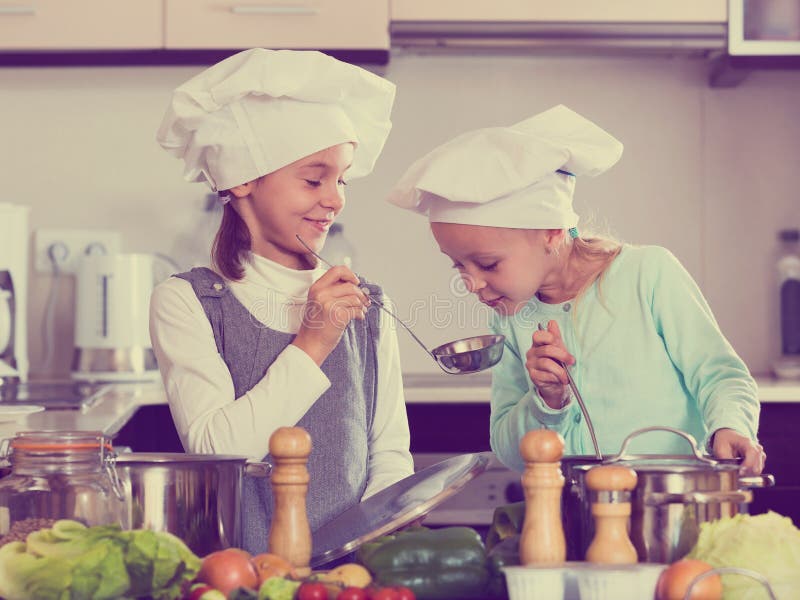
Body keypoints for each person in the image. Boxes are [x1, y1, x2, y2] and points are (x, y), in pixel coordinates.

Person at [387, 105, 765, 476]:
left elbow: (720, 374)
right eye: (458, 265)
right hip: (571, 510)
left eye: (487, 264)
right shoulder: (511, 319)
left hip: (666, 504)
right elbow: (509, 452)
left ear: (552, 232)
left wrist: (730, 425)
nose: (471, 283)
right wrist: (546, 401)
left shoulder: (648, 274)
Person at [151, 48, 414, 553]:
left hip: (352, 572)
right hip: (242, 574)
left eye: (342, 179)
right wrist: (313, 342)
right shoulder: (186, 301)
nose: (335, 198)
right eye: (314, 179)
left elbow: (389, 455)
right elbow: (217, 452)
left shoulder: (366, 304)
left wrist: (359, 555)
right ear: (243, 180)